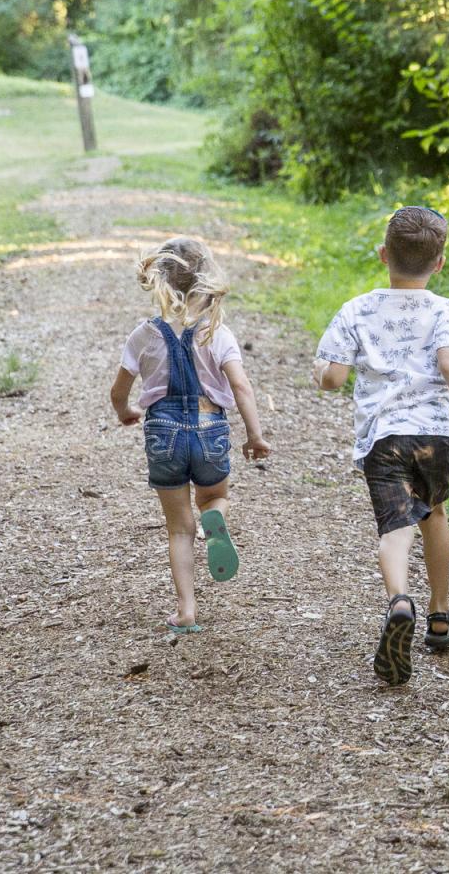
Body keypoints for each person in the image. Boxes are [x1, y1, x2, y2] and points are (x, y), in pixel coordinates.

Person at [311, 206, 449, 685]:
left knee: (395, 527)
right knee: (434, 514)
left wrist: (320, 371)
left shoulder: (357, 309)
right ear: (440, 263)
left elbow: (334, 378)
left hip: (384, 438)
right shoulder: (443, 309)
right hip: (435, 434)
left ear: (384, 255)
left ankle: (399, 601)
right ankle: (440, 617)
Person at [111, 237, 271, 633]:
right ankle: (214, 519)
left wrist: (126, 411)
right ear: (205, 280)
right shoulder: (217, 332)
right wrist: (255, 435)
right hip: (209, 427)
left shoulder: (144, 334)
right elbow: (242, 387)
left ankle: (186, 610)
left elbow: (118, 392)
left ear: (160, 280)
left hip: (163, 432)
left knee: (179, 528)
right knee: (215, 495)